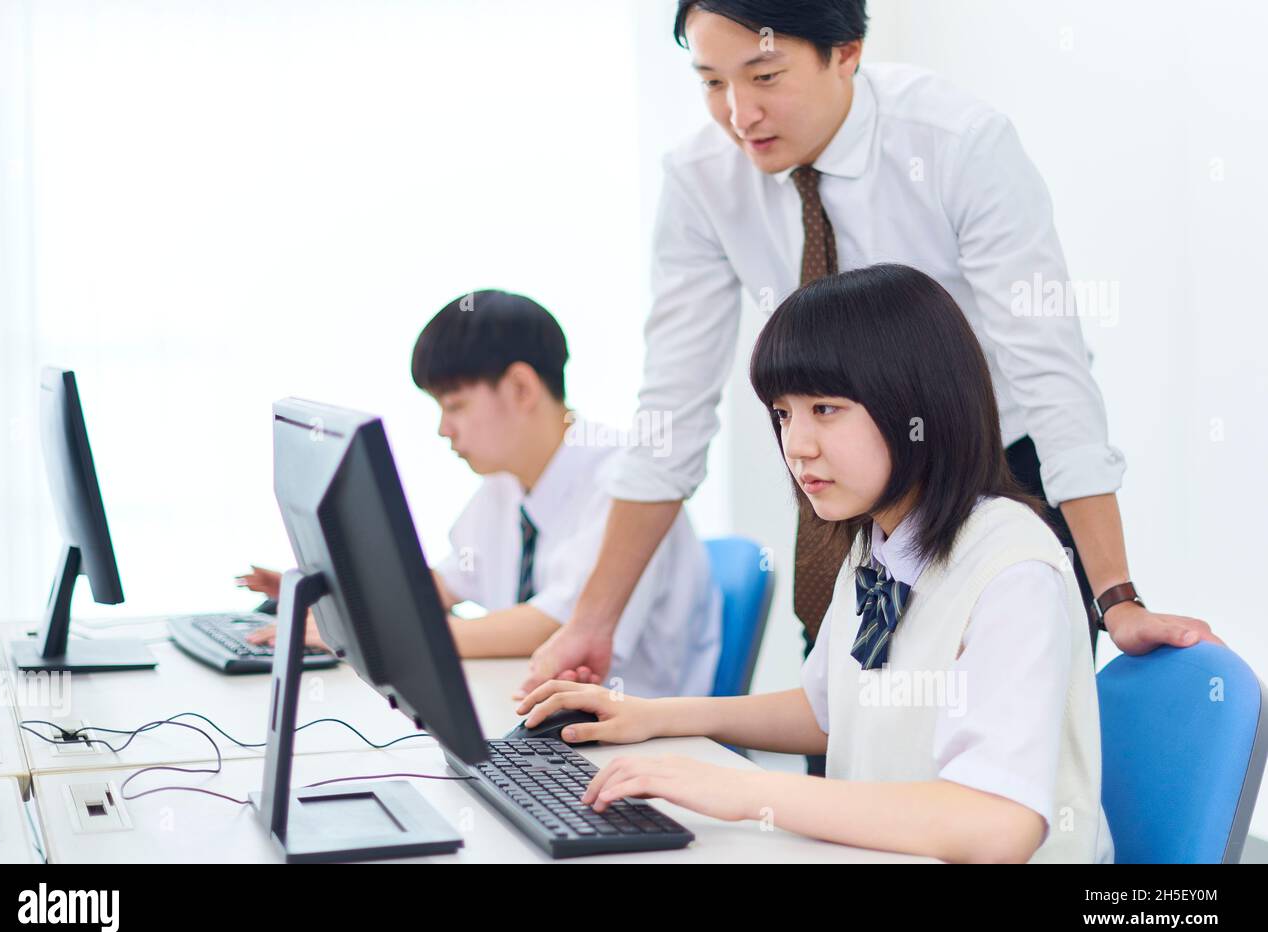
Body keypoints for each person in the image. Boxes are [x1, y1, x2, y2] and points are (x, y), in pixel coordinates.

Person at [520, 0, 1219, 709]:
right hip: (856, 499)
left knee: (986, 739)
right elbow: (670, 411)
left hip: (992, 473)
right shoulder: (702, 178)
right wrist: (592, 622)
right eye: (710, 82)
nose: (740, 114)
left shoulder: (956, 142)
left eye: (764, 76)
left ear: (847, 51)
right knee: (852, 729)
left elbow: (1054, 376)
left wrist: (1116, 595)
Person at [514, 265, 1113, 863]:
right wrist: (655, 716)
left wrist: (747, 791)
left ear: (921, 406)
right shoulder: (875, 545)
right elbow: (828, 712)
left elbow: (998, 826)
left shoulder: (1011, 569)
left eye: (825, 409)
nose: (796, 444)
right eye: (783, 414)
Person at [242, 289, 721, 699]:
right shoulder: (504, 486)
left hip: (636, 742)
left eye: (455, 406)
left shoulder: (628, 486)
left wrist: (381, 638)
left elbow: (552, 625)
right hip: (543, 718)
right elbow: (443, 586)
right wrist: (335, 595)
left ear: (520, 388)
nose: (443, 429)